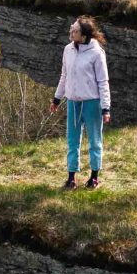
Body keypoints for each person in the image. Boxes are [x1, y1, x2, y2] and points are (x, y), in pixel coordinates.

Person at [50, 16, 111, 190]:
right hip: (73, 102)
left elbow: (103, 81)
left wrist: (106, 108)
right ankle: (71, 178)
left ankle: (94, 177)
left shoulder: (96, 52)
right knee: (72, 140)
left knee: (94, 140)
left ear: (83, 35)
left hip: (92, 103)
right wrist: (57, 98)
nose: (71, 32)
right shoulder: (68, 50)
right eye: (71, 29)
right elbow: (64, 75)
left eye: (75, 30)